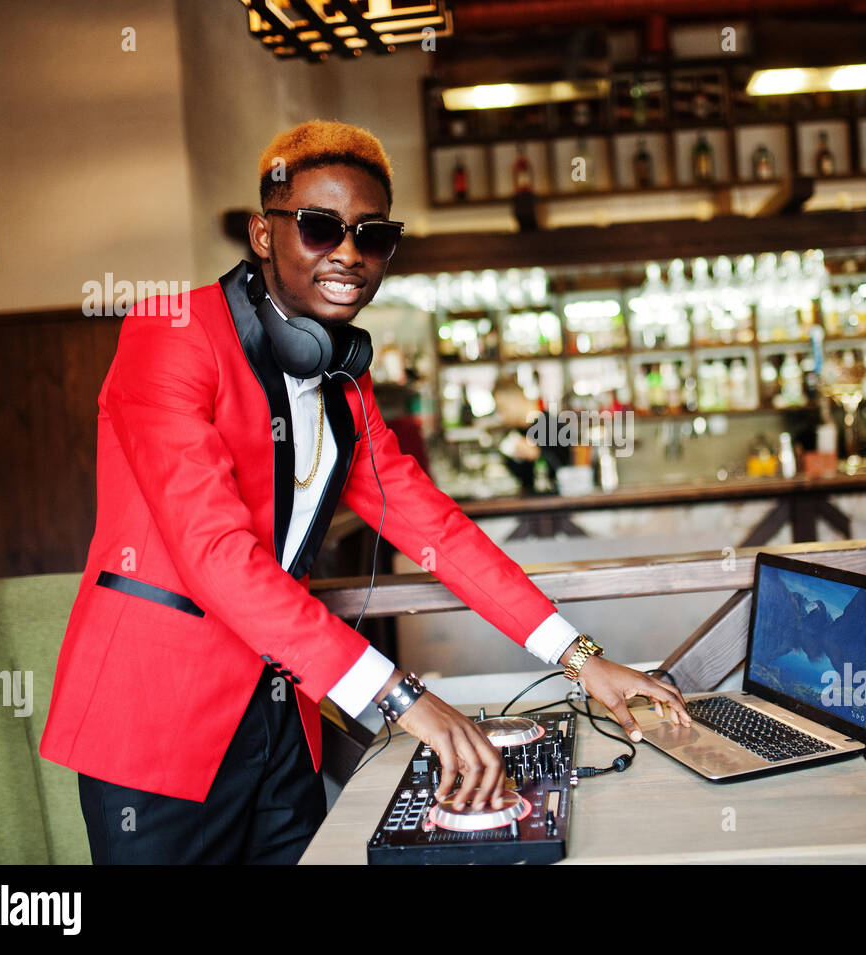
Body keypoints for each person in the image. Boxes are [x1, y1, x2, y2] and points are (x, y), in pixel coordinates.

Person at [40, 119, 689, 864]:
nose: (349, 253)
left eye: (372, 235)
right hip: (158, 719)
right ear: (262, 233)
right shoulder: (171, 333)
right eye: (320, 227)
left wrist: (579, 657)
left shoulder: (345, 375)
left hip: (286, 713)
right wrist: (400, 696)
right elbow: (213, 551)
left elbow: (432, 527)